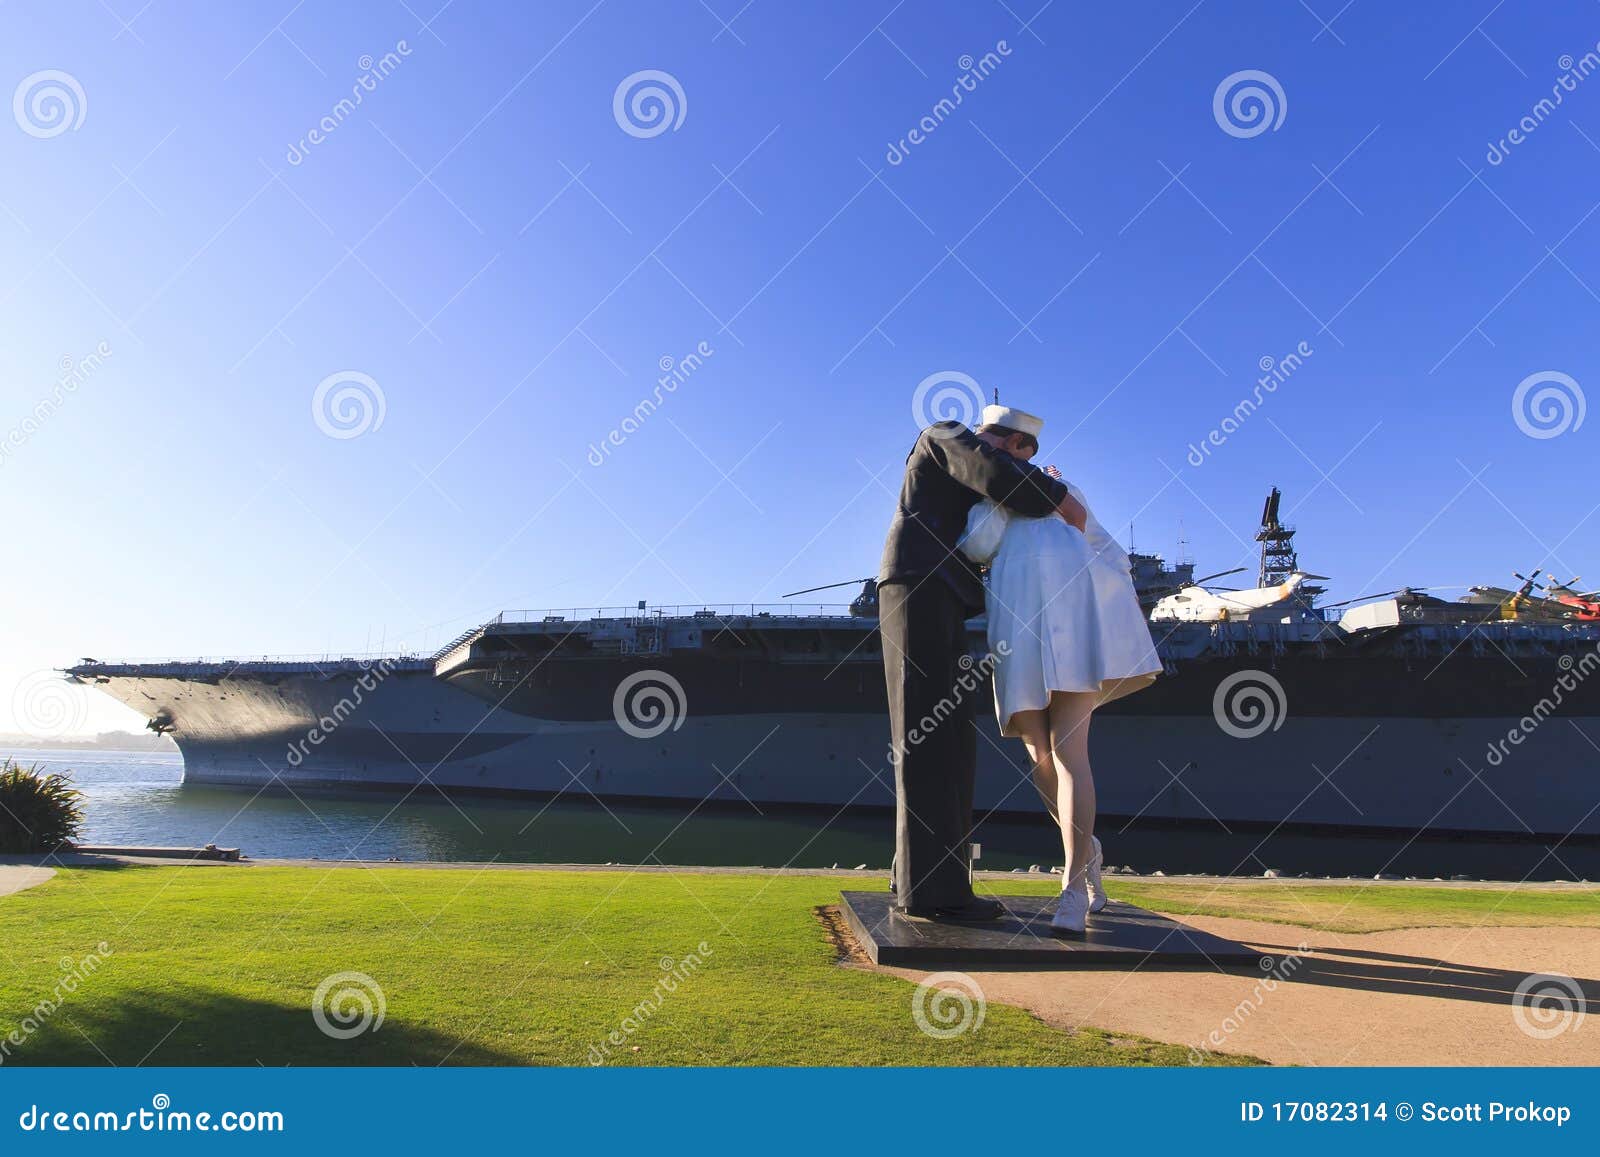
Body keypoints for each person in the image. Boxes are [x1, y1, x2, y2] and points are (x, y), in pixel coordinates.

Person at [958, 405, 1160, 934]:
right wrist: (1003, 498)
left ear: (1023, 446)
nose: (987, 449)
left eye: (997, 442)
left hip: (1070, 626)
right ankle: (1087, 849)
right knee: (1039, 758)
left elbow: (1095, 539)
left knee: (1071, 754)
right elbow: (978, 544)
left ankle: (1072, 887)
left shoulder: (1057, 489)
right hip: (1019, 627)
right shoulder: (996, 495)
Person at [877, 411, 1085, 922]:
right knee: (928, 741)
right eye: (1022, 454)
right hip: (918, 587)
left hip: (942, 595)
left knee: (949, 740)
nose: (1019, 464)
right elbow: (997, 476)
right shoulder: (946, 434)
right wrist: (1061, 498)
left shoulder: (964, 466)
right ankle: (933, 893)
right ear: (1013, 441)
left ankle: (921, 879)